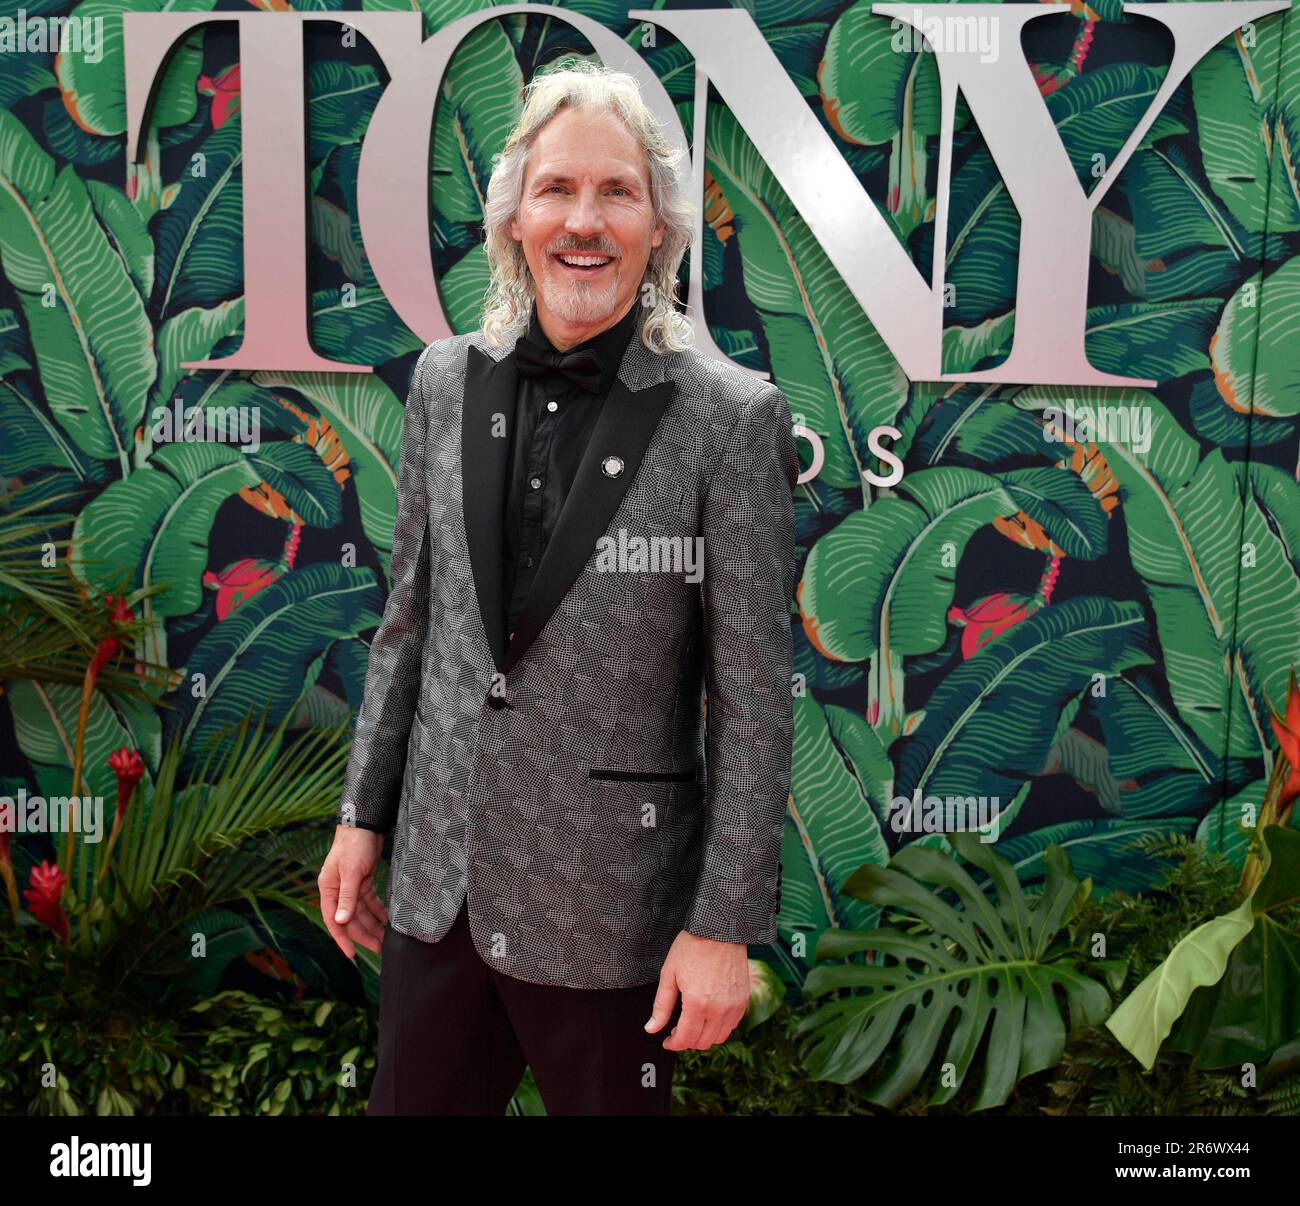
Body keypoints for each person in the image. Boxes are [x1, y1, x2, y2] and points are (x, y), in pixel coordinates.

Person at [316, 58, 799, 1116]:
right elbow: (409, 625)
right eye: (558, 190)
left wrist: (721, 928)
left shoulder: (730, 418)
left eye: (617, 191)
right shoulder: (443, 382)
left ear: (660, 226)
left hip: (610, 912)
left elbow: (756, 701)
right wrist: (364, 817)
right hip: (437, 892)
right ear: (514, 221)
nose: (586, 221)